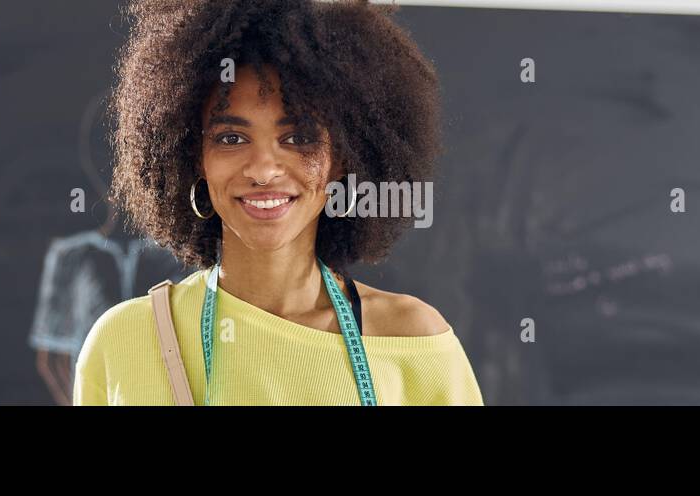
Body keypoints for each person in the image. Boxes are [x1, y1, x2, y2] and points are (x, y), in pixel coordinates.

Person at [73, 0, 483, 405]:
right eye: (231, 138)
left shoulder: (413, 344)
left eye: (298, 138)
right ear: (193, 157)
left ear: (343, 159)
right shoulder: (125, 342)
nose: (263, 169)